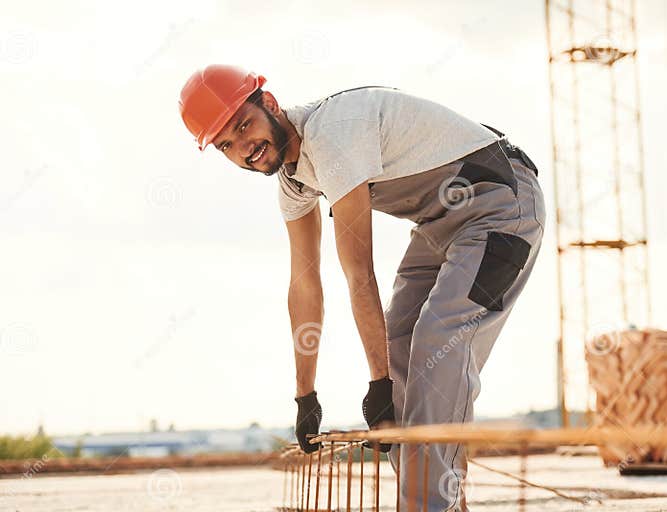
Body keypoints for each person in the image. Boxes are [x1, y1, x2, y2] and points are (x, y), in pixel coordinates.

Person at [179, 64, 545, 511]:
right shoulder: (294, 181)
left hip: (502, 204)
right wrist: (305, 396)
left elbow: (359, 273)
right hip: (439, 226)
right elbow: (305, 285)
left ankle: (430, 507)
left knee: (440, 337)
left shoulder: (333, 134)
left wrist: (378, 385)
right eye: (226, 145)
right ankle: (435, 502)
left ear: (269, 104)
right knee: (398, 342)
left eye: (244, 125)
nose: (244, 148)